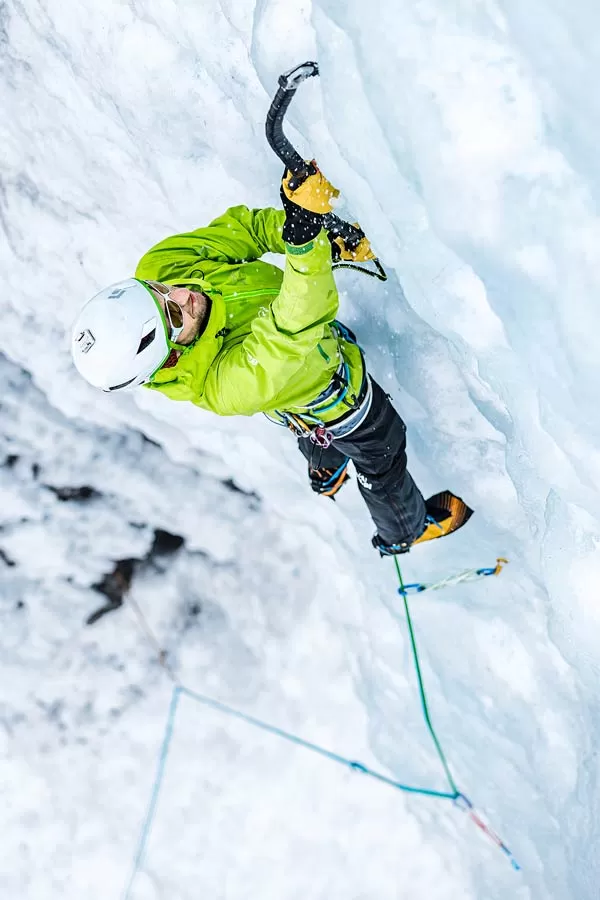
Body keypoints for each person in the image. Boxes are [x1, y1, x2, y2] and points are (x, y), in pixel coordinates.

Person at [71, 167, 471, 554]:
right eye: (174, 316)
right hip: (337, 399)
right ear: (171, 357)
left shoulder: (160, 268)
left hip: (298, 383)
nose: (182, 296)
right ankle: (403, 530)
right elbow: (296, 324)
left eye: (160, 291)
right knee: (383, 461)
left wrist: (309, 232)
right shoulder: (224, 387)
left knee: (310, 430)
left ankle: (324, 470)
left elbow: (242, 231)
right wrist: (303, 243)